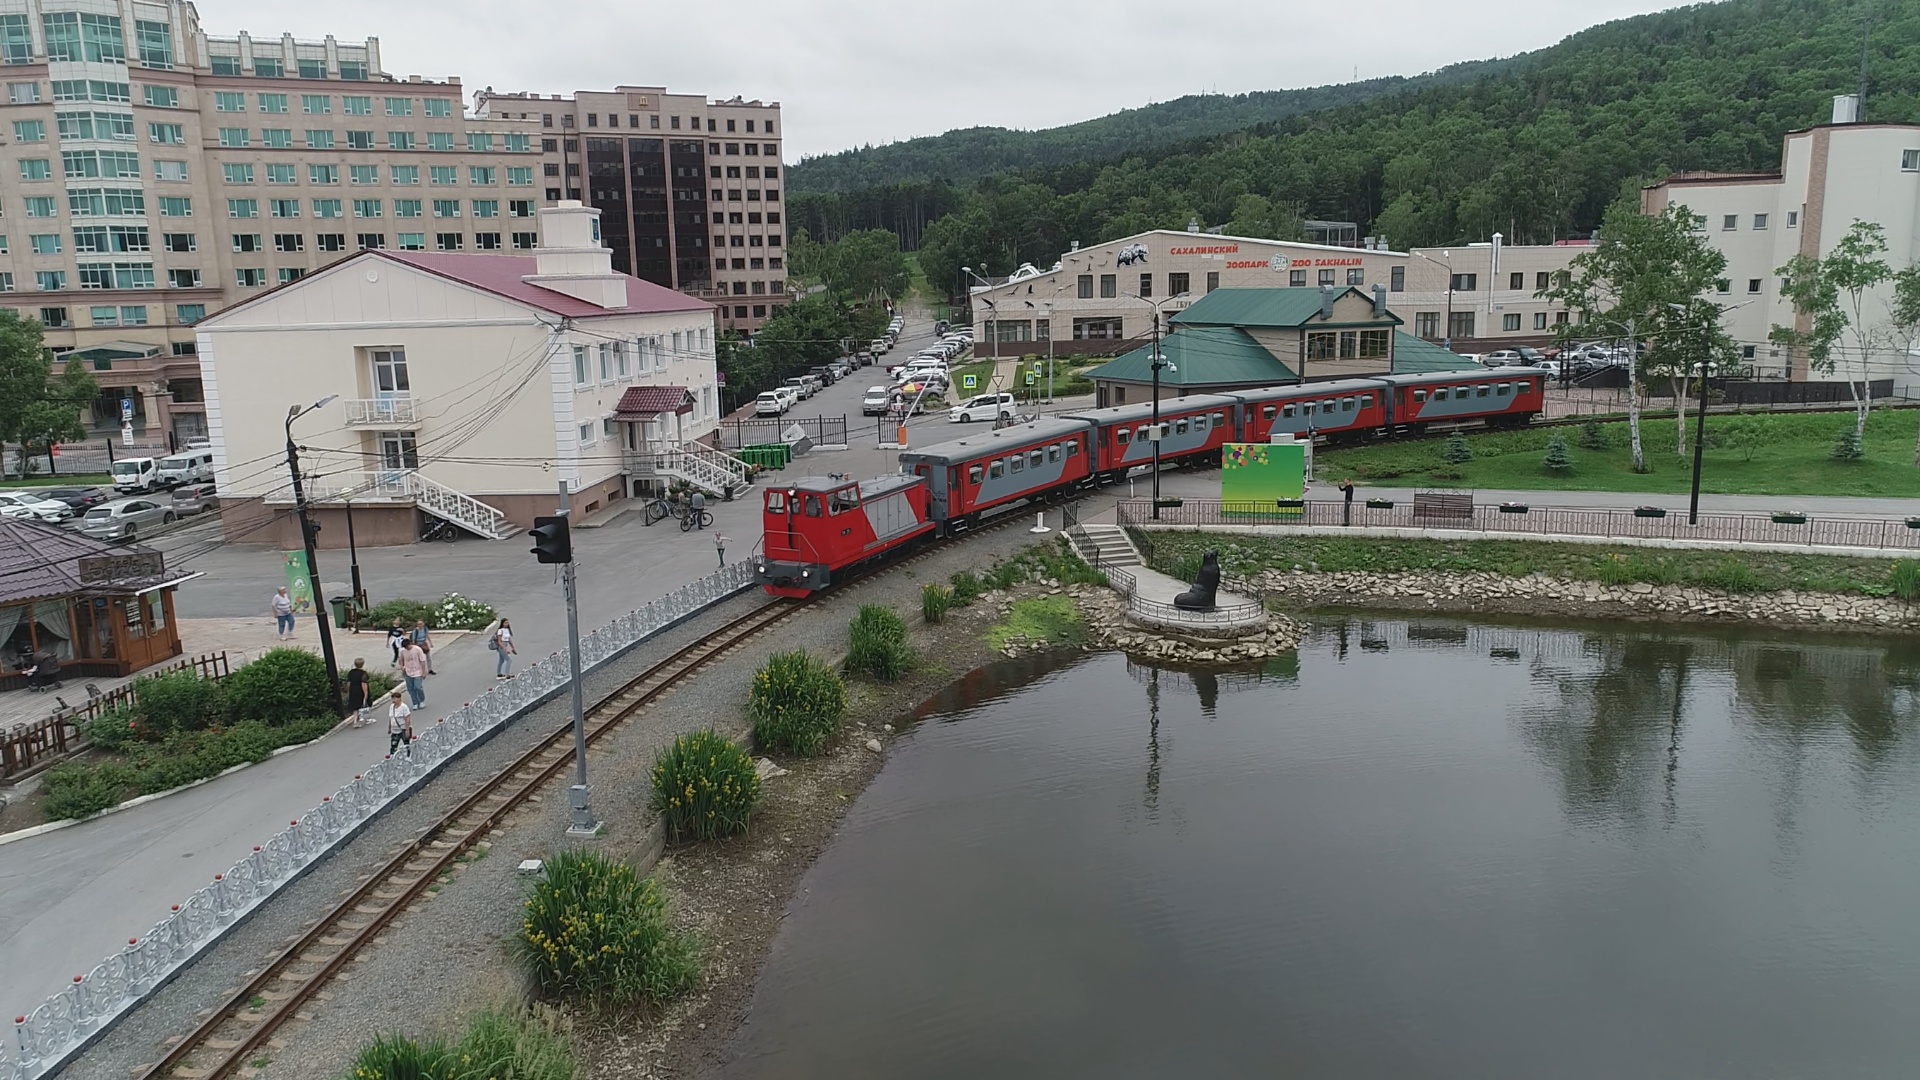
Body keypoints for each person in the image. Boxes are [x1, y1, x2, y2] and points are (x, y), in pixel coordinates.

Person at [400, 639, 428, 709]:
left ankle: (422, 700)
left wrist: (423, 672)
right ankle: (415, 702)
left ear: (410, 644)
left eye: (407, 647)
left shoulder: (417, 649)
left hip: (418, 671)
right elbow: (401, 660)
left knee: (418, 687)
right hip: (408, 671)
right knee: (411, 688)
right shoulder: (402, 651)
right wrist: (402, 667)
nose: (407, 648)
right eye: (405, 647)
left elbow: (422, 661)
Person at [344, 657, 371, 726]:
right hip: (360, 690)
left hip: (353, 690)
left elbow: (348, 683)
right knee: (362, 704)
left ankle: (355, 721)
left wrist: (348, 691)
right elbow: (363, 683)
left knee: (355, 706)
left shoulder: (351, 672)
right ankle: (364, 718)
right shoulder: (363, 673)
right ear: (363, 664)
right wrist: (366, 694)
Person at [386, 689, 412, 758]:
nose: (393, 700)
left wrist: (407, 730)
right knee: (393, 745)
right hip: (395, 730)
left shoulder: (404, 707)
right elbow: (391, 717)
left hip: (403, 729)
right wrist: (389, 728)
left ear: (399, 698)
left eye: (395, 698)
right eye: (392, 698)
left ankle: (409, 756)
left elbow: (407, 719)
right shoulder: (392, 707)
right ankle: (392, 758)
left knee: (406, 744)